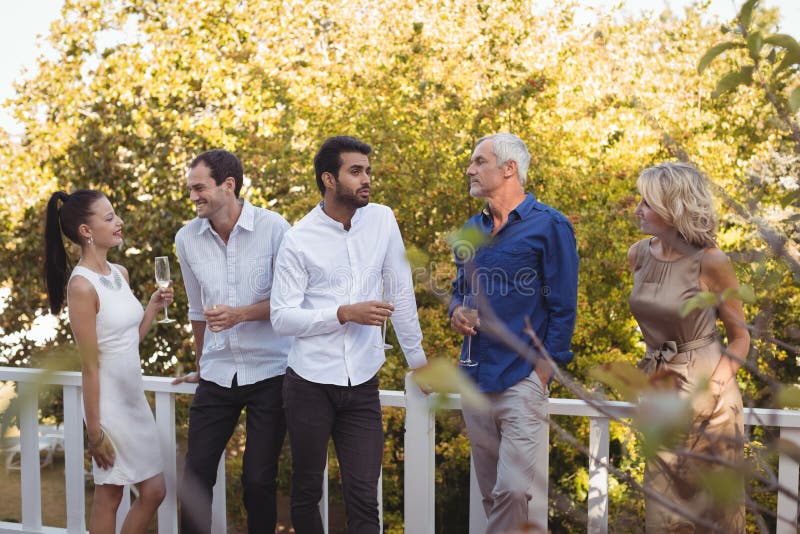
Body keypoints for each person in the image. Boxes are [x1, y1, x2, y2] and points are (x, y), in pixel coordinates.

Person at [270, 135, 427, 534]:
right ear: (329, 179)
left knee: (364, 497)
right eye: (355, 171)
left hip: (362, 383)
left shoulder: (382, 220)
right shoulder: (298, 239)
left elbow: (400, 292)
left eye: (367, 171)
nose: (366, 179)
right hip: (309, 383)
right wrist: (342, 314)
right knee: (307, 491)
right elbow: (281, 318)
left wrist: (418, 362)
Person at [449, 133, 579, 532]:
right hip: (474, 378)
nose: (470, 170)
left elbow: (563, 308)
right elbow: (458, 291)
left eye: (479, 161)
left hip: (522, 379)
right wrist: (456, 311)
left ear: (509, 169)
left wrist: (541, 375)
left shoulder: (551, 226)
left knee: (512, 491)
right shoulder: (470, 230)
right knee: (492, 494)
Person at [171, 149, 292, 533]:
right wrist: (201, 364)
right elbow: (196, 310)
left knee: (258, 480)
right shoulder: (186, 239)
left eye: (199, 188)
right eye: (191, 190)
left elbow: (290, 303)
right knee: (194, 478)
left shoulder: (275, 228)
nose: (193, 197)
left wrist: (240, 314)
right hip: (217, 373)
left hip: (271, 371)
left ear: (228, 185)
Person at [628, 162, 749, 532]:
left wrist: (711, 392)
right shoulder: (637, 255)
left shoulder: (711, 261)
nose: (637, 209)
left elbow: (741, 338)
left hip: (712, 402)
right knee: (663, 517)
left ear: (673, 208)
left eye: (647, 203)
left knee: (718, 518)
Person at [44, 189, 170, 533]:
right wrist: (95, 432)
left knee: (148, 491)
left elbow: (127, 342)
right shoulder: (81, 287)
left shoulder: (120, 273)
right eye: (110, 217)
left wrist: (152, 308)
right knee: (113, 494)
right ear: (86, 231)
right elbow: (90, 364)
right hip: (109, 406)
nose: (120, 222)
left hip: (133, 400)